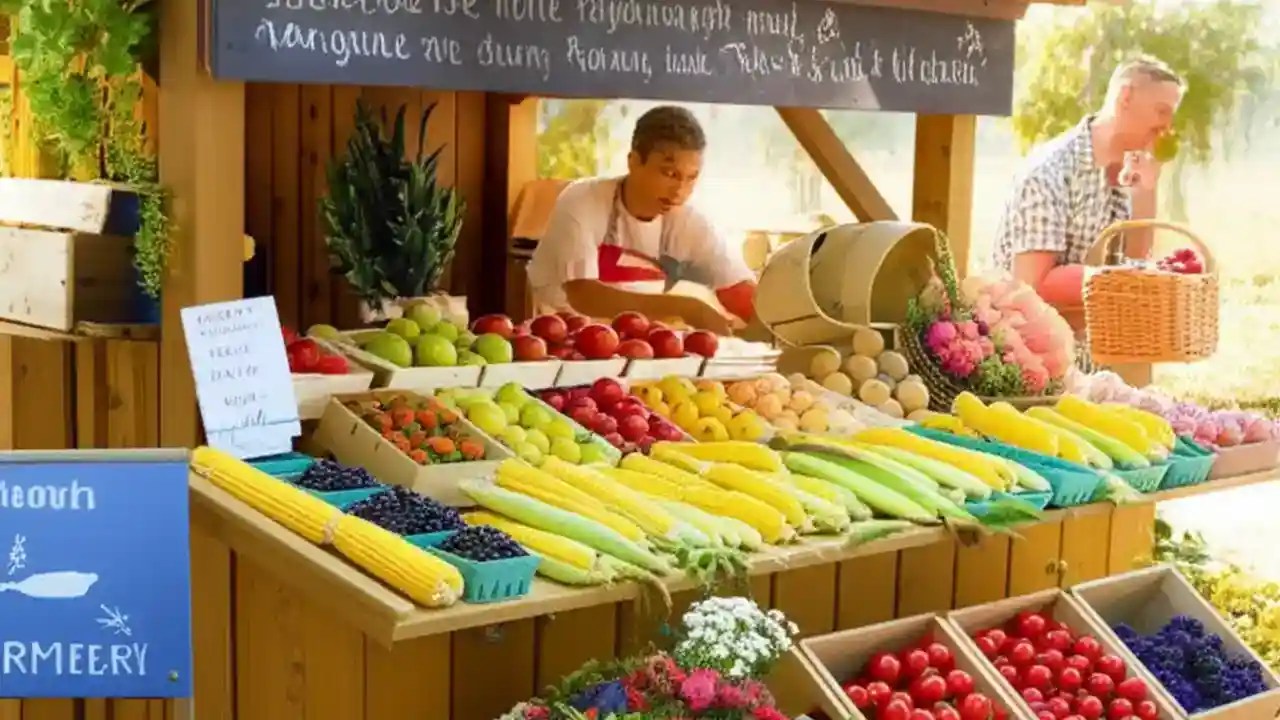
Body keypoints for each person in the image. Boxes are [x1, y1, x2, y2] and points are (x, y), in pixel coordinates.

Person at [991, 56, 1185, 331]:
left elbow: (1136, 262)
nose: (1167, 127)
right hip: (1026, 349)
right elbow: (1033, 285)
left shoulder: (1126, 172)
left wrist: (1146, 191)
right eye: (1162, 111)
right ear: (1126, 97)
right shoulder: (1049, 171)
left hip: (1094, 348)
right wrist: (1126, 280)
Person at [527, 105, 756, 334]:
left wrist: (775, 326)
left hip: (638, 346)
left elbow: (737, 289)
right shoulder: (582, 200)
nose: (680, 190)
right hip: (559, 343)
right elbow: (584, 296)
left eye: (691, 178)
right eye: (669, 173)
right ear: (634, 161)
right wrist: (687, 308)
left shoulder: (689, 221)